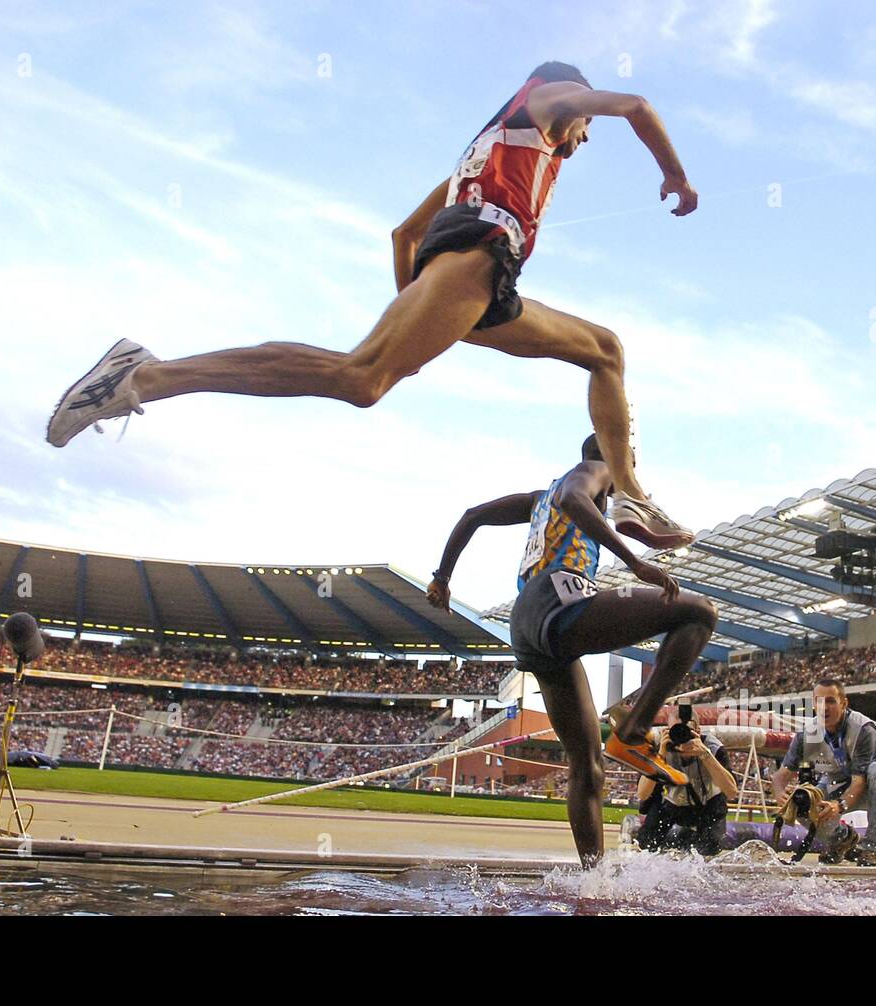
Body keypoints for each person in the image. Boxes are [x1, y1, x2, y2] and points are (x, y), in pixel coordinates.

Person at [47, 61, 700, 547]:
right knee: (361, 379)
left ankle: (633, 499)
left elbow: (404, 233)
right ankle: (143, 375)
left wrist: (413, 304)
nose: (585, 138)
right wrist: (673, 172)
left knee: (605, 350)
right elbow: (637, 105)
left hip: (472, 275)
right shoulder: (548, 97)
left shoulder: (496, 147)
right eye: (586, 127)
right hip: (480, 251)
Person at [426, 434, 718, 867]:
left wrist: (442, 577)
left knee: (587, 767)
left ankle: (592, 878)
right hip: (558, 599)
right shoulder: (592, 473)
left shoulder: (535, 499)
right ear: (615, 461)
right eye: (630, 468)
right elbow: (573, 497)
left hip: (528, 628)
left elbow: (473, 516)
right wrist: (634, 562)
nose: (630, 480)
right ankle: (634, 730)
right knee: (699, 613)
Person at [770, 679, 876, 867]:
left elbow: (859, 782)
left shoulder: (863, 729)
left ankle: (875, 848)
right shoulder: (806, 734)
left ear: (844, 703)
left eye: (830, 701)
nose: (824, 707)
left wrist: (839, 805)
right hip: (839, 781)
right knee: (802, 800)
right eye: (819, 701)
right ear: (813, 704)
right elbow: (780, 777)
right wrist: (781, 795)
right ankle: (841, 839)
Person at [635, 713, 739, 856]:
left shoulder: (713, 747)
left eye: (686, 731)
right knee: (646, 841)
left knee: (711, 846)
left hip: (708, 805)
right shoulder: (658, 746)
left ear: (699, 731)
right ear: (667, 731)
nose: (681, 737)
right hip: (672, 803)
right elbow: (642, 794)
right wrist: (660, 756)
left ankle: (687, 837)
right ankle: (681, 838)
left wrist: (705, 754)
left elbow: (732, 792)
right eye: (676, 730)